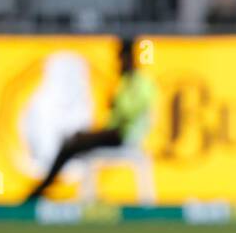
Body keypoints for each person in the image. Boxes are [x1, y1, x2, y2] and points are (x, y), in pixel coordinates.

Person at [23, 38, 157, 204]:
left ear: (129, 59)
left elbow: (130, 114)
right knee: (74, 142)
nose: (118, 63)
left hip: (123, 135)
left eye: (121, 58)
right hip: (114, 133)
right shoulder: (124, 83)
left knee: (75, 141)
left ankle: (43, 187)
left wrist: (116, 103)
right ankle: (47, 185)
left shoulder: (140, 83)